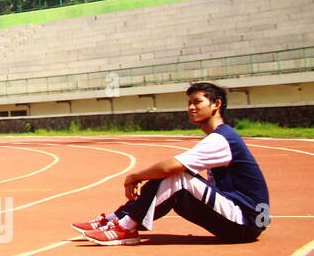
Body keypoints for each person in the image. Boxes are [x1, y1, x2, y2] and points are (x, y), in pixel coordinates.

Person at [71, 82, 270, 246]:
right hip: (242, 217)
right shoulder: (221, 137)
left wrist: (135, 176)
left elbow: (170, 167)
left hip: (245, 222)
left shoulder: (222, 139)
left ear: (216, 104)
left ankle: (126, 226)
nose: (191, 108)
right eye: (189, 103)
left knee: (177, 174)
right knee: (173, 175)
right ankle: (117, 219)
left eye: (198, 102)